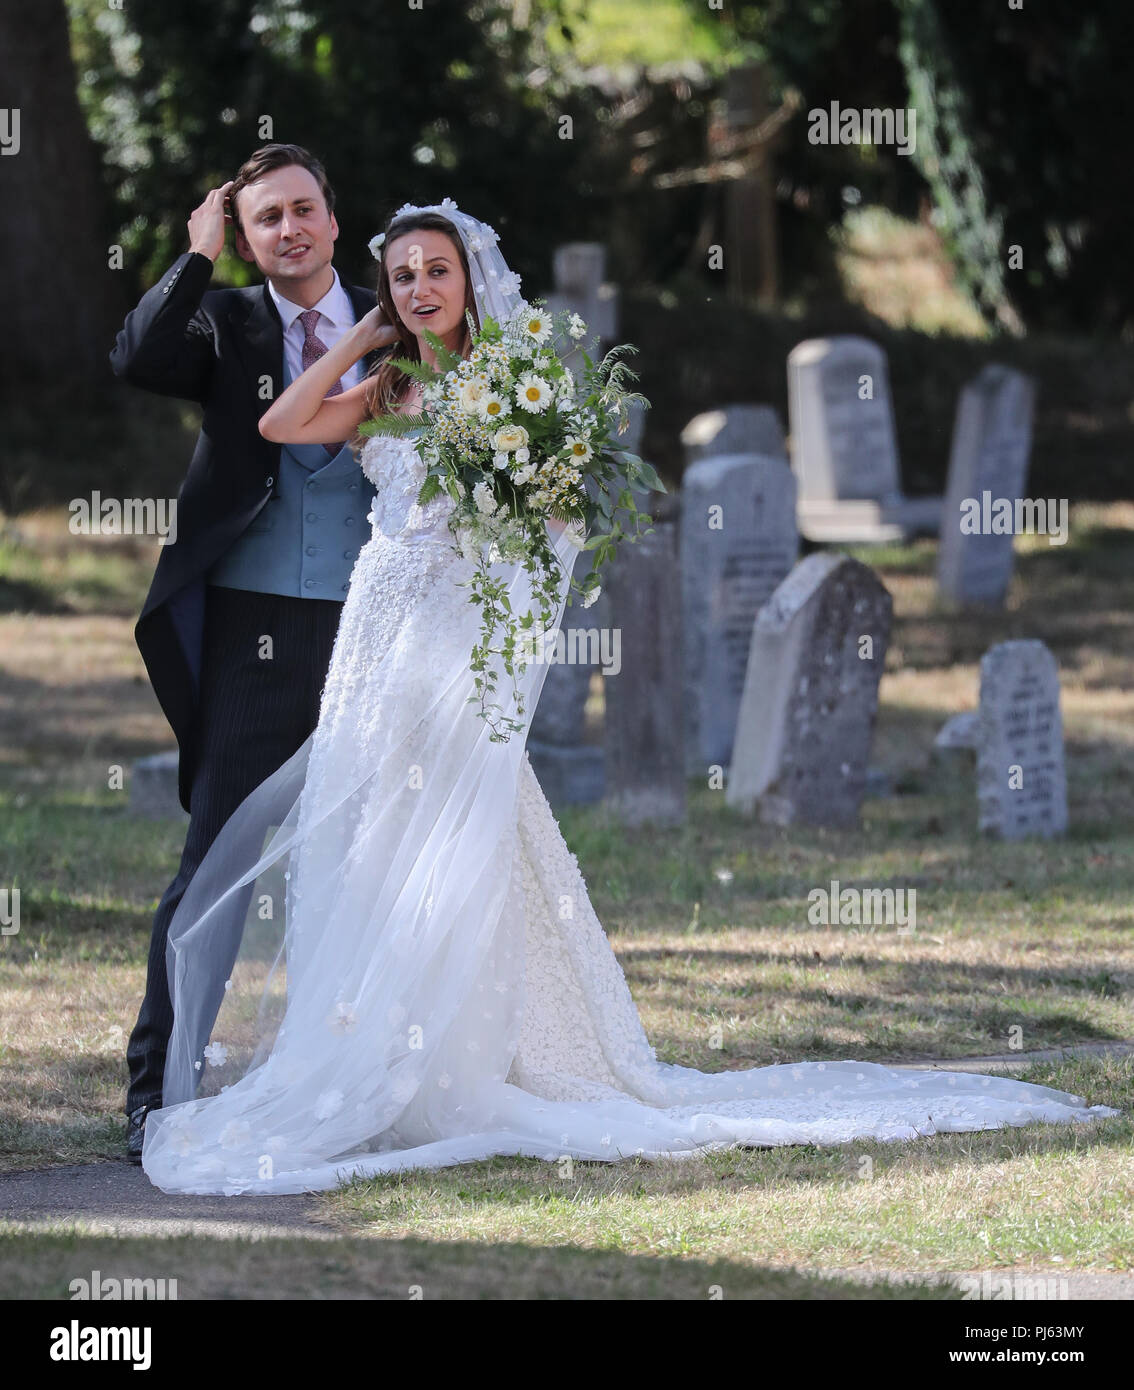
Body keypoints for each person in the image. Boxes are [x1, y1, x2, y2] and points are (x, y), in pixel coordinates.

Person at [140, 199, 1117, 1195]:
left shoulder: (510, 388)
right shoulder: (385, 385)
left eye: (437, 271)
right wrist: (358, 335)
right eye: (402, 277)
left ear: (470, 280)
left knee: (457, 831)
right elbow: (279, 421)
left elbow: (557, 521)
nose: (420, 289)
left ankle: (442, 1060)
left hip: (450, 643)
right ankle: (364, 1046)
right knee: (370, 837)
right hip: (376, 635)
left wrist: (509, 526)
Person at [110, 144, 395, 1162]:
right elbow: (137, 359)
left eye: (303, 209)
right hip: (253, 626)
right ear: (246, 233)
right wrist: (195, 253)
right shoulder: (226, 322)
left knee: (365, 862)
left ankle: (350, 1084)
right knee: (214, 863)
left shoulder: (395, 316)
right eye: (265, 217)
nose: (289, 230)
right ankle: (158, 1089)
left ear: (332, 214)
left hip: (374, 627)